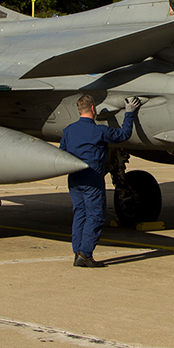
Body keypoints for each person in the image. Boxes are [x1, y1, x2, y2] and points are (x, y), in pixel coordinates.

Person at [59, 94, 139, 268]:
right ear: (93, 109)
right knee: (95, 215)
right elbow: (124, 134)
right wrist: (129, 112)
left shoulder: (68, 130)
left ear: (79, 110)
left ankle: (78, 252)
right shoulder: (99, 131)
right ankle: (85, 254)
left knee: (80, 213)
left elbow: (62, 153)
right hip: (92, 178)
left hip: (74, 178)